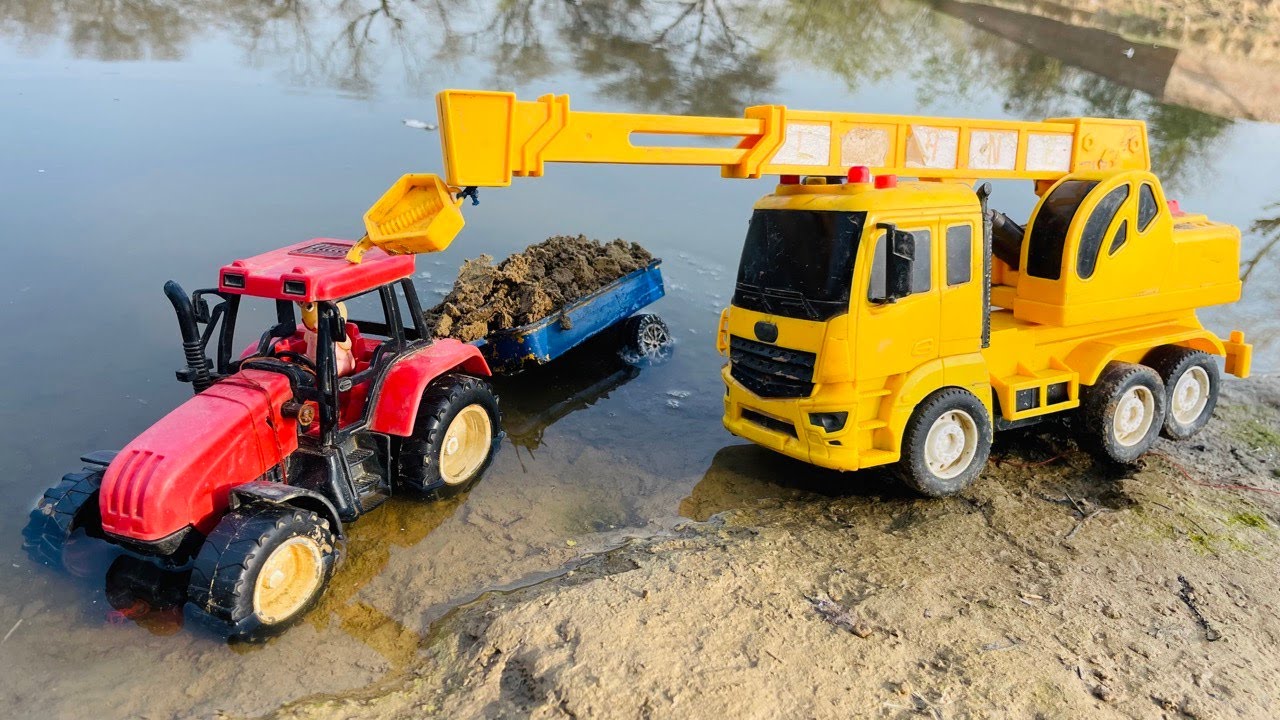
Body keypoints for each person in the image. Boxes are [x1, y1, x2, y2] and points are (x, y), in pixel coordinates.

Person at [299, 301, 357, 376]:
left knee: (333, 368)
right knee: (299, 363)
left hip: (334, 362)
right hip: (312, 362)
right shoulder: (310, 332)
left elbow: (347, 345)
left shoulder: (337, 334)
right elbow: (306, 339)